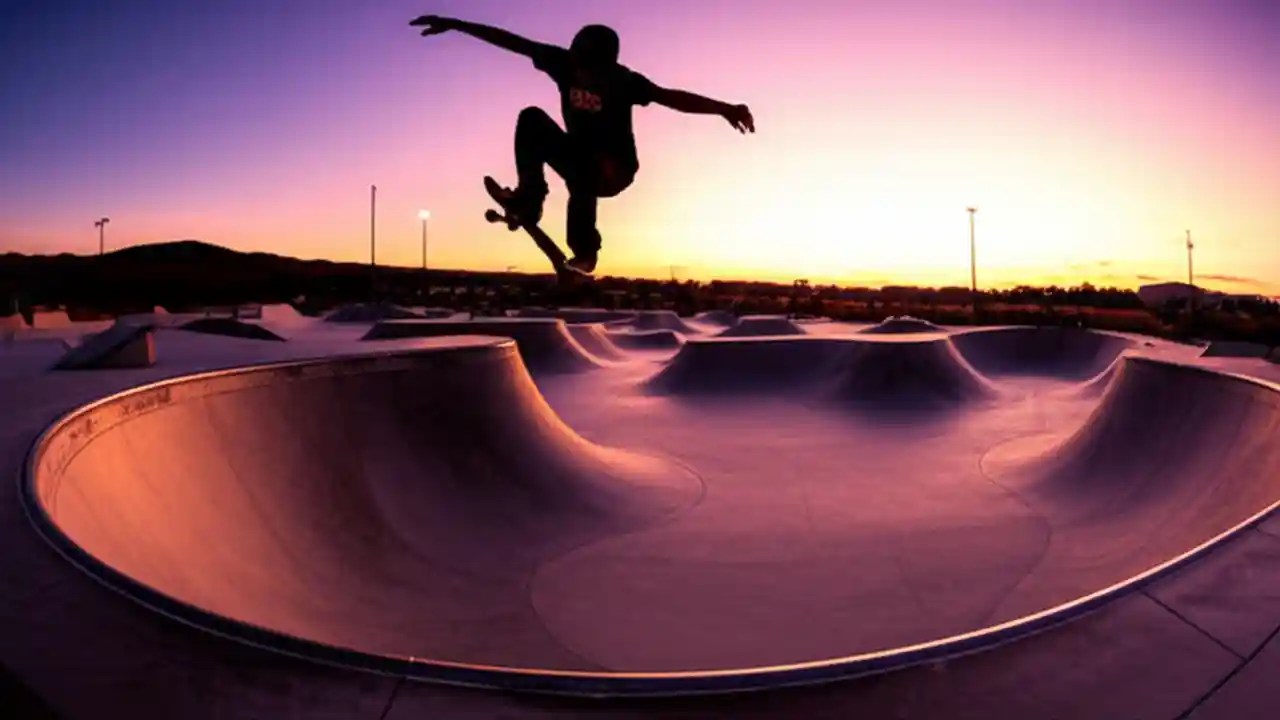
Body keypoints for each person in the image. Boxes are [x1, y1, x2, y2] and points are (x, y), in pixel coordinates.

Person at [410, 15, 755, 274]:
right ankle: (542, 211)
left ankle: (577, 242)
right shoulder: (562, 62)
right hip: (579, 160)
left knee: (586, 168)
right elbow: (510, 41)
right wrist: (455, 24)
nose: (584, 72)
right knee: (533, 121)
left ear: (606, 63)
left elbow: (672, 97)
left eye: (592, 66)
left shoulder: (625, 81)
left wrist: (724, 108)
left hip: (616, 169)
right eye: (580, 62)